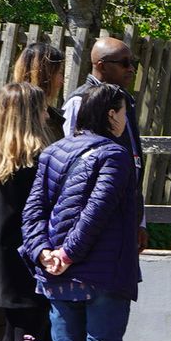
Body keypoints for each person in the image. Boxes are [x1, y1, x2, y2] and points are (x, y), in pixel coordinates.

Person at [21, 83, 142, 341]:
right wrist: (67, 254)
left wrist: (42, 252)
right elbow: (96, 211)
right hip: (104, 273)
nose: (126, 120)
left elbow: (33, 211)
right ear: (112, 114)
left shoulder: (53, 152)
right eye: (124, 112)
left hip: (56, 275)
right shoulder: (115, 155)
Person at [0, 81, 54, 341]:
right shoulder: (34, 159)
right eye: (42, 109)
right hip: (25, 249)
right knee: (29, 331)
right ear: (31, 114)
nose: (47, 115)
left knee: (13, 326)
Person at [62, 36, 147, 249]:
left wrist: (140, 219)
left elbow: (134, 161)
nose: (131, 69)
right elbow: (70, 160)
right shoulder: (79, 100)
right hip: (94, 218)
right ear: (101, 66)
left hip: (126, 212)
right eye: (124, 63)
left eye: (132, 63)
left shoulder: (125, 100)